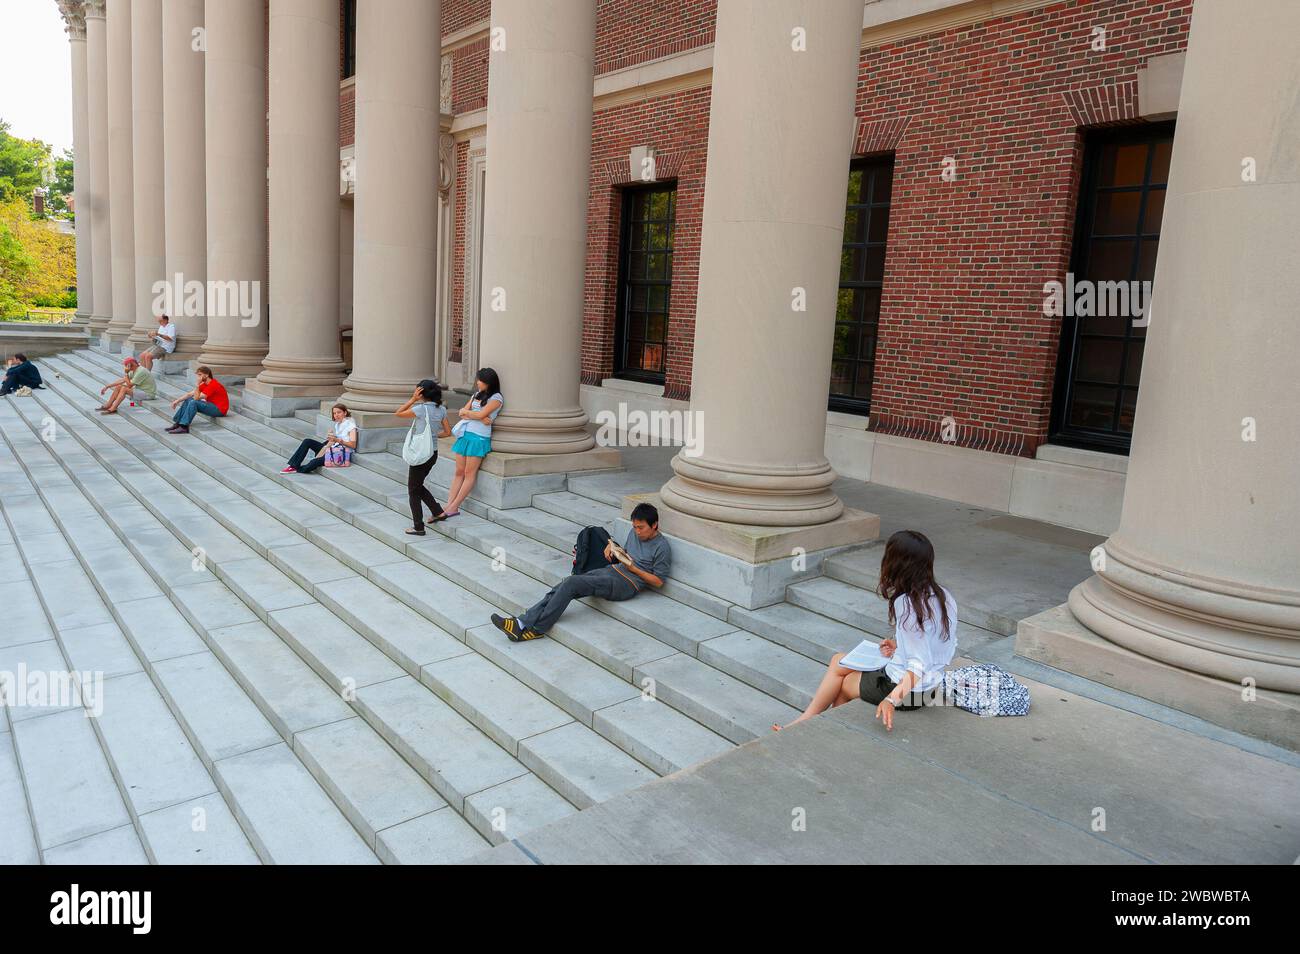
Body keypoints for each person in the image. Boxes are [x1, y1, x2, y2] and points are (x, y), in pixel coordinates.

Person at [774, 530, 958, 733]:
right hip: (929, 687)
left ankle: (815, 729)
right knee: (838, 660)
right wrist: (899, 647)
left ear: (897, 563)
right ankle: (808, 720)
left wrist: (890, 700)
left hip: (907, 692)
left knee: (844, 683)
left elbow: (919, 665)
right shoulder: (944, 595)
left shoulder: (907, 604)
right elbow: (941, 646)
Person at [492, 502, 671, 642]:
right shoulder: (635, 533)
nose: (637, 531)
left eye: (641, 528)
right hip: (614, 570)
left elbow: (658, 581)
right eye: (635, 527)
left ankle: (536, 629)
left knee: (571, 583)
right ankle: (521, 623)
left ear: (654, 525)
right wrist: (614, 550)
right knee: (566, 583)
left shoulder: (662, 547)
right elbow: (628, 554)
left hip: (627, 584)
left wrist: (634, 569)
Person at [394, 380, 452, 535]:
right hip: (432, 453)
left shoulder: (419, 409)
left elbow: (398, 413)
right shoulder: (441, 410)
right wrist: (431, 437)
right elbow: (447, 432)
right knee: (417, 486)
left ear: (421, 393)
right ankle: (438, 511)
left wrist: (413, 399)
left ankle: (418, 527)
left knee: (413, 490)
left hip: (421, 454)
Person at [442, 367, 502, 517]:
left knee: (469, 473)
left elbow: (470, 412)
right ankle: (448, 504)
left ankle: (454, 507)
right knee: (459, 472)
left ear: (489, 382)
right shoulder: (476, 394)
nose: (477, 382)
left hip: (479, 438)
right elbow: (461, 412)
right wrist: (480, 417)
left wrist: (474, 414)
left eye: (480, 380)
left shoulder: (497, 398)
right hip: (465, 435)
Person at [280, 403, 358, 475]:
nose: (336, 415)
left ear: (345, 413)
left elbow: (353, 445)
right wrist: (331, 438)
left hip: (340, 453)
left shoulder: (351, 426)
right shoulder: (338, 424)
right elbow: (337, 439)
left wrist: (337, 440)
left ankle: (298, 469)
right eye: (334, 413)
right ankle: (293, 466)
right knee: (307, 441)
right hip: (333, 448)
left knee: (313, 463)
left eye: (339, 412)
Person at [166, 365, 228, 434]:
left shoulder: (213, 384)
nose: (198, 377)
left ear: (207, 375)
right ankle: (178, 423)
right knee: (189, 399)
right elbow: (189, 394)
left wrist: (197, 385)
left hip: (219, 410)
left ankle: (184, 427)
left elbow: (196, 398)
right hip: (212, 406)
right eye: (198, 375)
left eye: (200, 375)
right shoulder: (205, 384)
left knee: (193, 402)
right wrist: (177, 401)